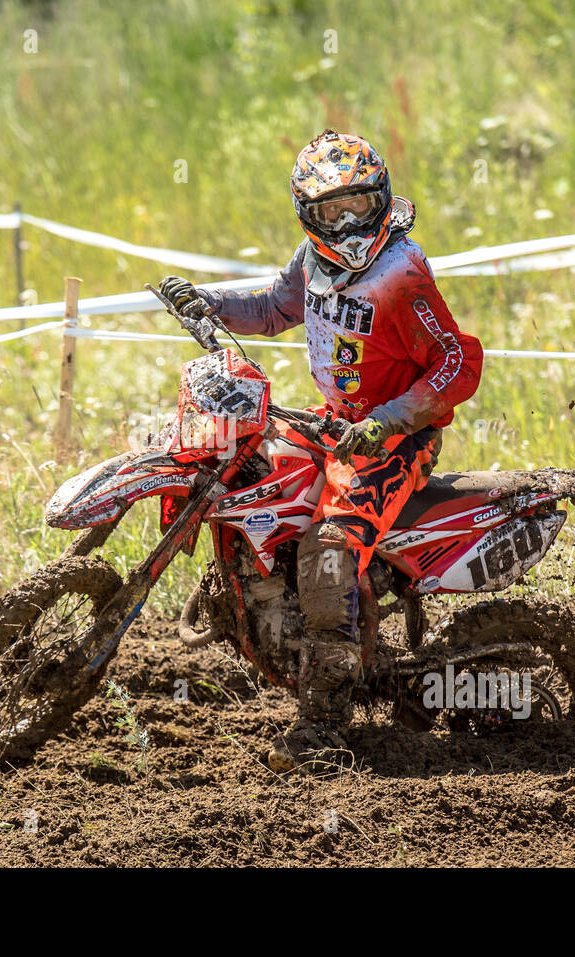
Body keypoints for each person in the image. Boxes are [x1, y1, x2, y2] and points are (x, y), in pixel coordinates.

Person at [159, 129, 483, 772]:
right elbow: (275, 307)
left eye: (358, 205)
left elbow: (457, 361)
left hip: (394, 438)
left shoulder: (400, 270)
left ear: (381, 198)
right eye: (329, 211)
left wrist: (391, 420)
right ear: (308, 217)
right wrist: (208, 302)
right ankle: (251, 597)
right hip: (335, 423)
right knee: (253, 475)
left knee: (328, 548)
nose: (346, 222)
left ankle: (325, 725)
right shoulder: (314, 262)